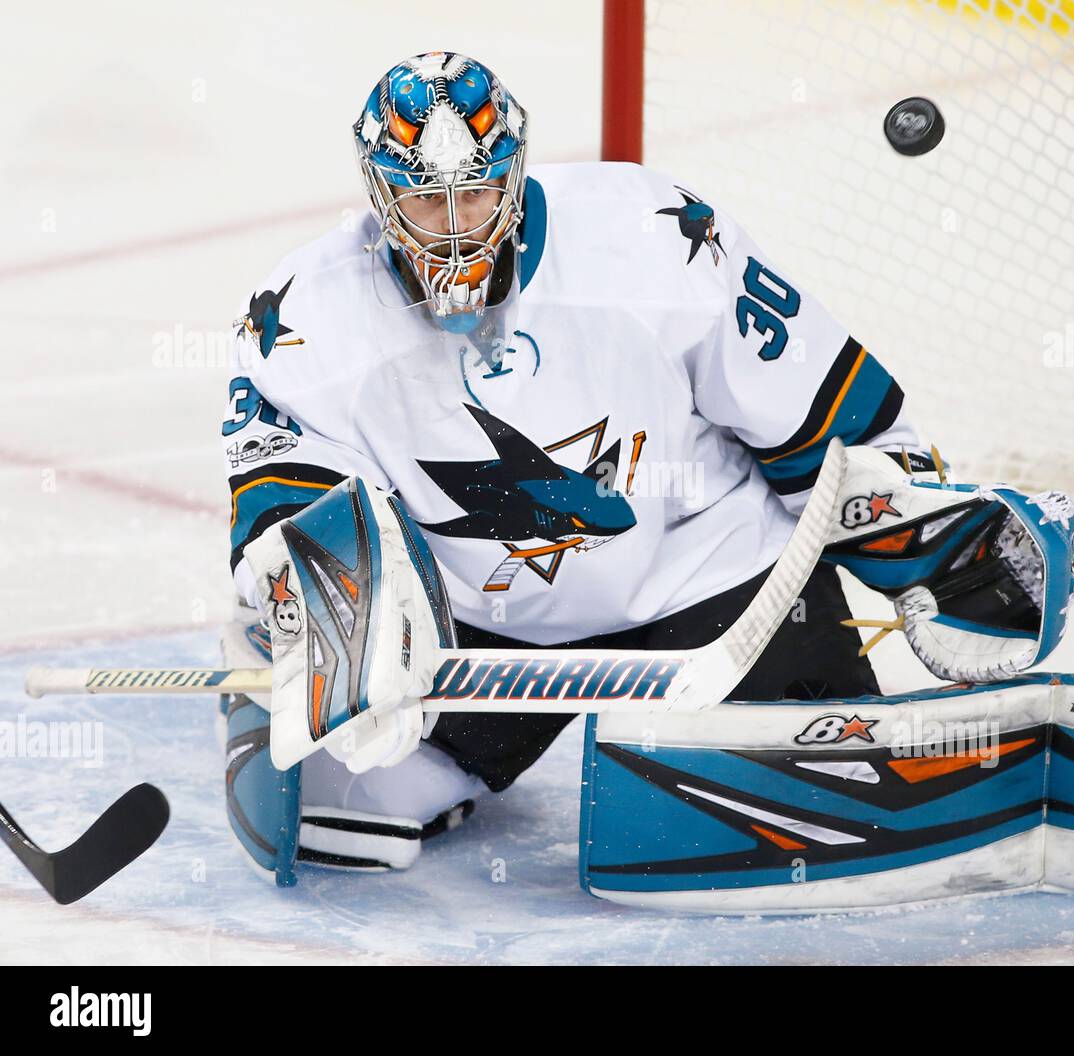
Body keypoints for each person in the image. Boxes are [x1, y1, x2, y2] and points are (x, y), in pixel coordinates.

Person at [219, 50, 937, 883]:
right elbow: (288, 495)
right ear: (380, 194)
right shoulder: (305, 318)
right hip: (479, 631)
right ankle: (411, 733)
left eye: (476, 193)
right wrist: (340, 626)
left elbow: (814, 405)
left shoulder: (648, 237)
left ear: (513, 175)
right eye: (423, 198)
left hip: (707, 582)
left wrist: (928, 546)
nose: (454, 227)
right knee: (340, 801)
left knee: (806, 810)